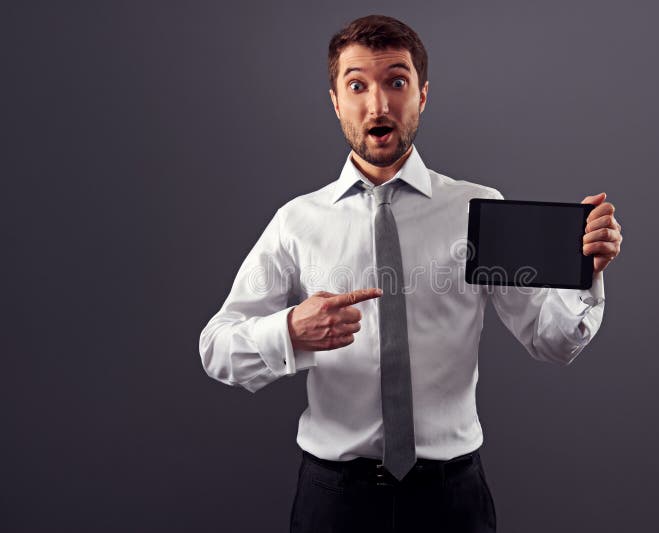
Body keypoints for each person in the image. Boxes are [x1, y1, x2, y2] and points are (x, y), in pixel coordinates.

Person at [198, 14, 622, 533]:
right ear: (335, 101)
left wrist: (587, 272)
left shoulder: (478, 209)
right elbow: (217, 350)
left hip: (452, 500)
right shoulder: (296, 223)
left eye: (396, 82)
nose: (377, 104)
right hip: (333, 502)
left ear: (422, 94)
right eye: (357, 85)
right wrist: (288, 330)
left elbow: (553, 341)